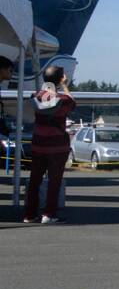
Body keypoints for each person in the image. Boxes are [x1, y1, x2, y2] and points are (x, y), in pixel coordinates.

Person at [23, 65, 75, 224]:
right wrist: (65, 85)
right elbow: (72, 102)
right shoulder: (63, 100)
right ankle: (48, 214)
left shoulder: (35, 97)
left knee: (34, 180)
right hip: (57, 145)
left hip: (38, 143)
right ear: (60, 79)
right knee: (54, 181)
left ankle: (30, 214)